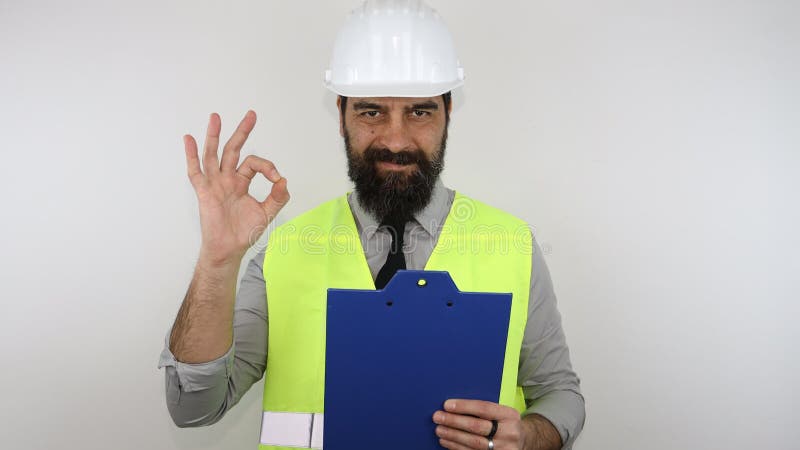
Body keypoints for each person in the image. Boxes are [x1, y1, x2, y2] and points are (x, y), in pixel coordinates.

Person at [158, 1, 585, 449]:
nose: (396, 139)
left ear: (448, 112)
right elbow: (193, 409)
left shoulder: (512, 245)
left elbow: (561, 396)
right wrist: (218, 262)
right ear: (340, 114)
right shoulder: (283, 253)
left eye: (419, 112)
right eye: (371, 112)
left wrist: (527, 437)